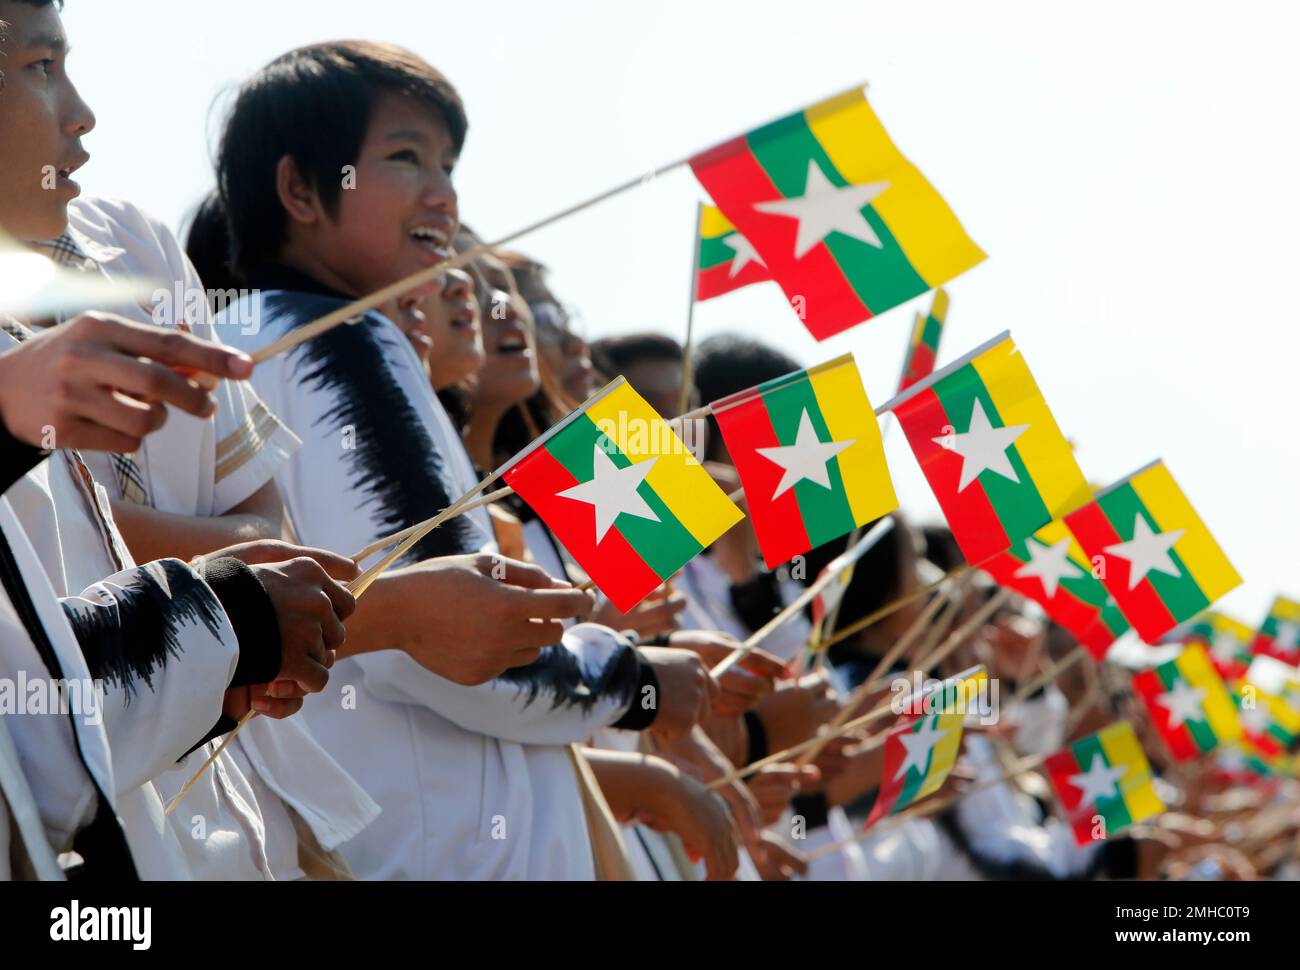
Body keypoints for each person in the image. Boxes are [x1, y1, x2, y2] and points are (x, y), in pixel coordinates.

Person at [209, 40, 717, 879]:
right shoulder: (344, 336)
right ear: (301, 188)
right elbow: (454, 645)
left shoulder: (251, 339)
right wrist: (638, 681)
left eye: (447, 163)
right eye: (405, 157)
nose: (443, 193)